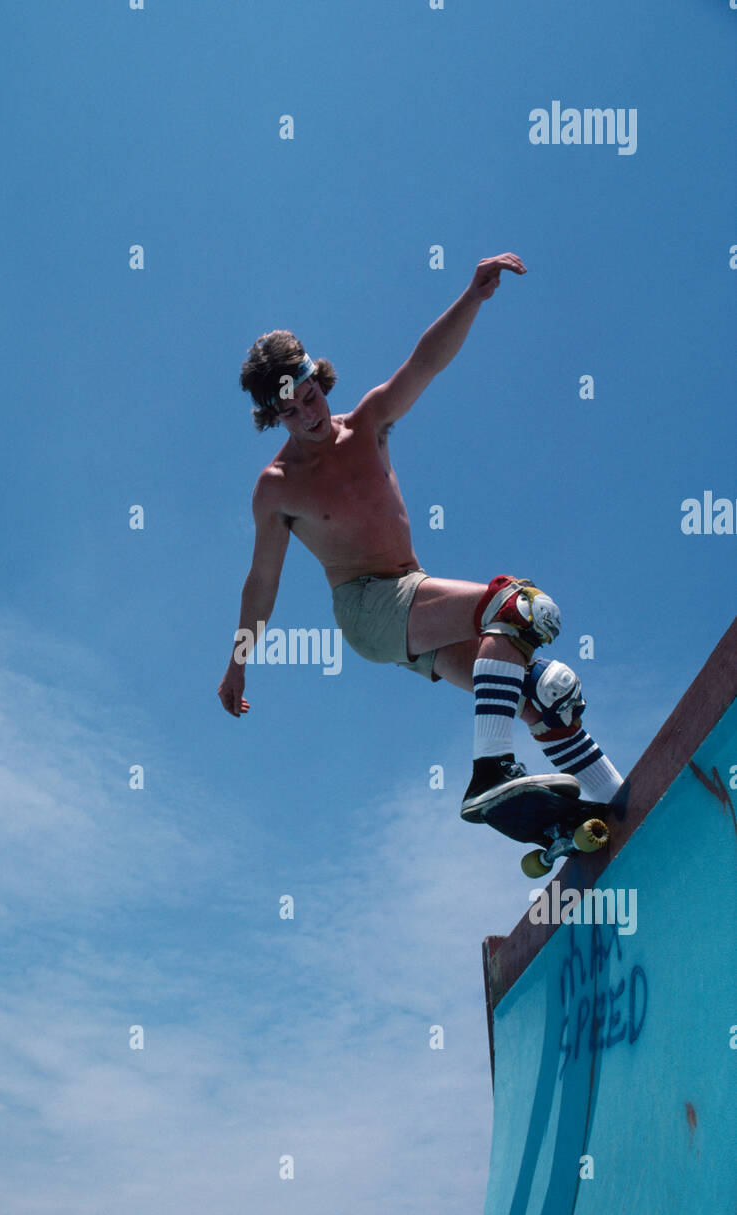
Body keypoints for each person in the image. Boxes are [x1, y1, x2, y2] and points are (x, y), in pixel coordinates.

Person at [219, 254, 622, 820]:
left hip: (413, 596)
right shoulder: (277, 487)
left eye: (310, 397)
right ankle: (490, 770)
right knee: (519, 609)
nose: (308, 416)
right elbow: (262, 582)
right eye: (290, 413)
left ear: (319, 380)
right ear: (273, 418)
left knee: (543, 693)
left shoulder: (370, 422)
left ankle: (617, 804)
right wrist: (238, 662)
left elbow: (425, 362)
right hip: (366, 608)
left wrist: (473, 296)